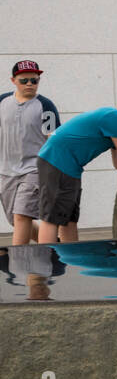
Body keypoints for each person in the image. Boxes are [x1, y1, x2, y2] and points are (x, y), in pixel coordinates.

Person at [35, 96, 117, 243]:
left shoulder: (112, 124)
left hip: (68, 167)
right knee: (51, 219)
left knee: (69, 219)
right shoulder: (114, 117)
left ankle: (70, 260)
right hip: (57, 161)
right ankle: (46, 263)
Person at [1, 60, 60, 245]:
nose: (29, 84)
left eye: (34, 81)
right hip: (5, 171)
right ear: (13, 80)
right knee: (17, 220)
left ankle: (19, 265)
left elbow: (54, 139)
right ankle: (52, 245)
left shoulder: (45, 106)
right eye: (24, 80)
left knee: (22, 216)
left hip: (34, 170)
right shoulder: (2, 102)